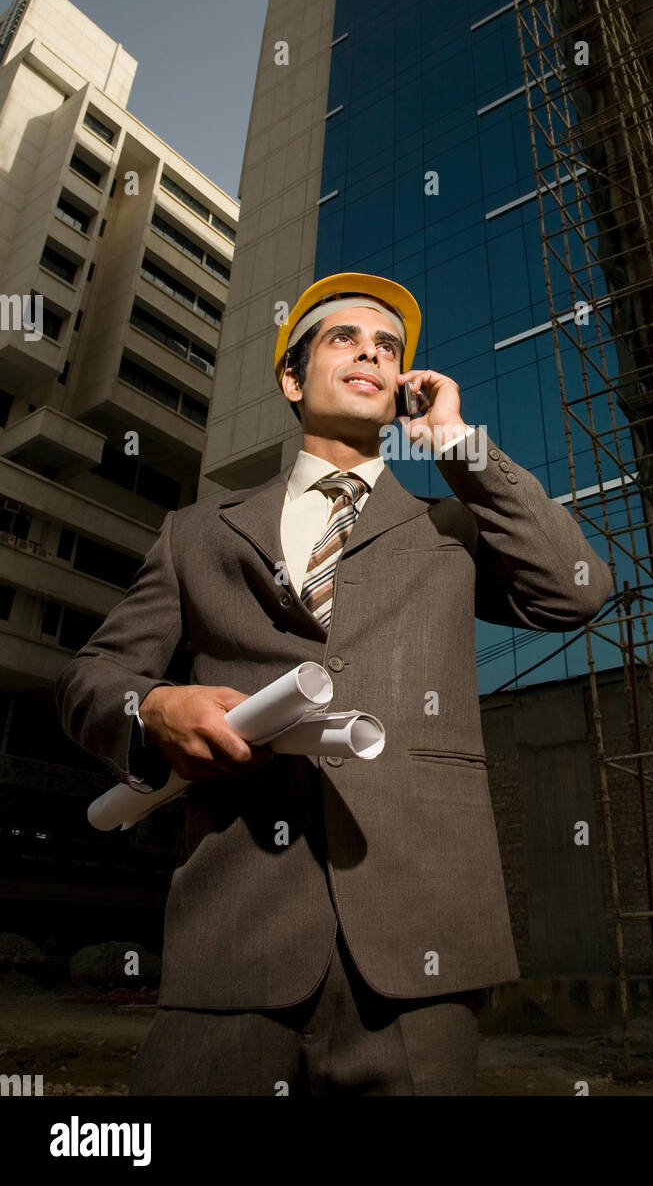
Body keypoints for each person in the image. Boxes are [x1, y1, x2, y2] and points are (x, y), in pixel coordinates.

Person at [56, 271, 612, 1095]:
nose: (372, 353)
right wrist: (154, 706)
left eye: (388, 347)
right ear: (293, 377)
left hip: (419, 931)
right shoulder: (198, 533)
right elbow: (89, 677)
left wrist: (459, 445)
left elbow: (577, 590)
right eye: (345, 339)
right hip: (236, 930)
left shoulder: (450, 528)